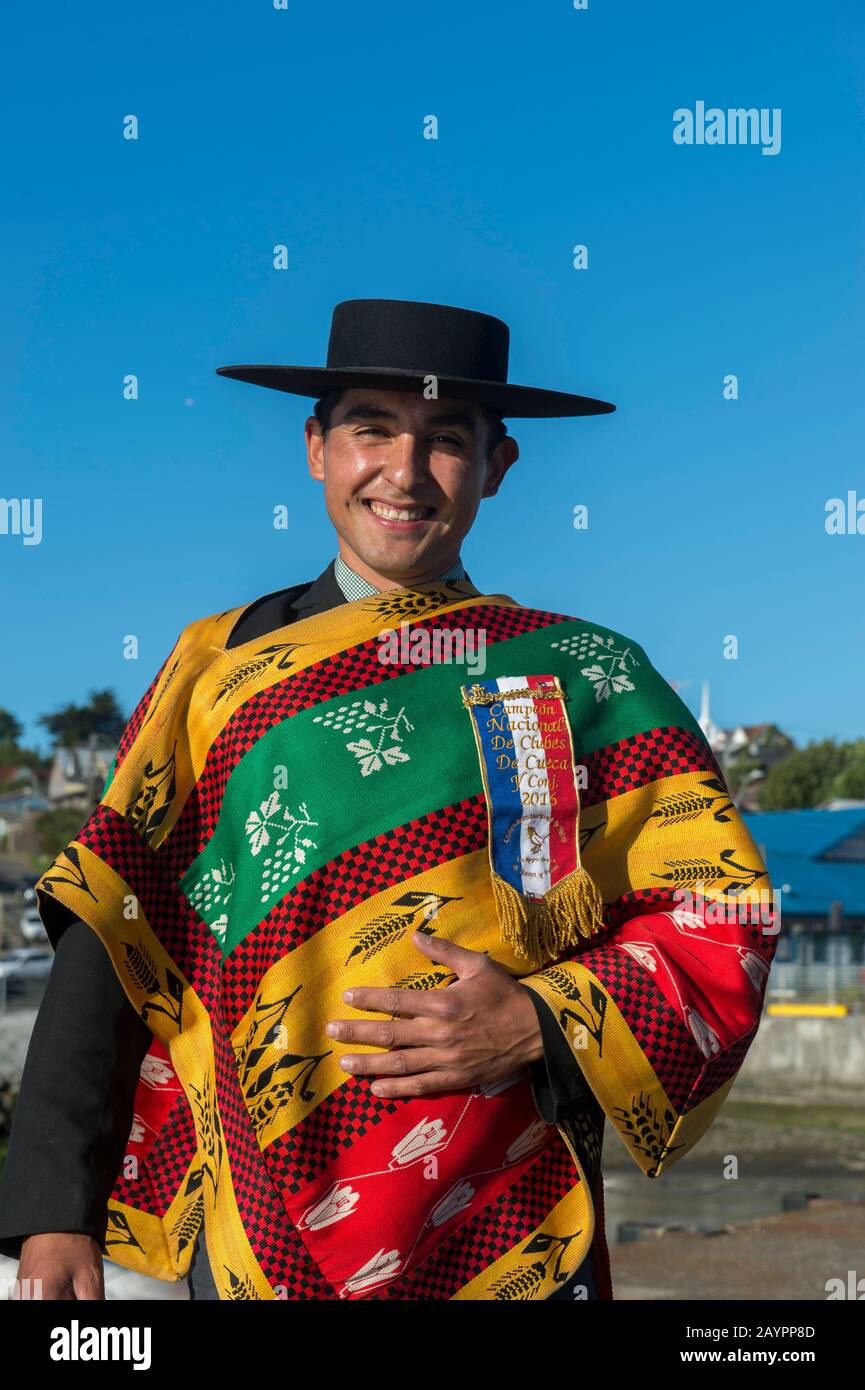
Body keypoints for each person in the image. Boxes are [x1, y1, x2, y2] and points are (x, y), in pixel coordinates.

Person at [1, 299, 777, 1301]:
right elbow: (111, 936)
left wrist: (541, 1021)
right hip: (255, 1215)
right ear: (317, 447)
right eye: (372, 427)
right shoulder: (216, 674)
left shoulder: (581, 678)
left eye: (447, 439)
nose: (405, 472)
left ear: (497, 467)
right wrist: (53, 1213)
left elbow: (722, 914)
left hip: (510, 1224)